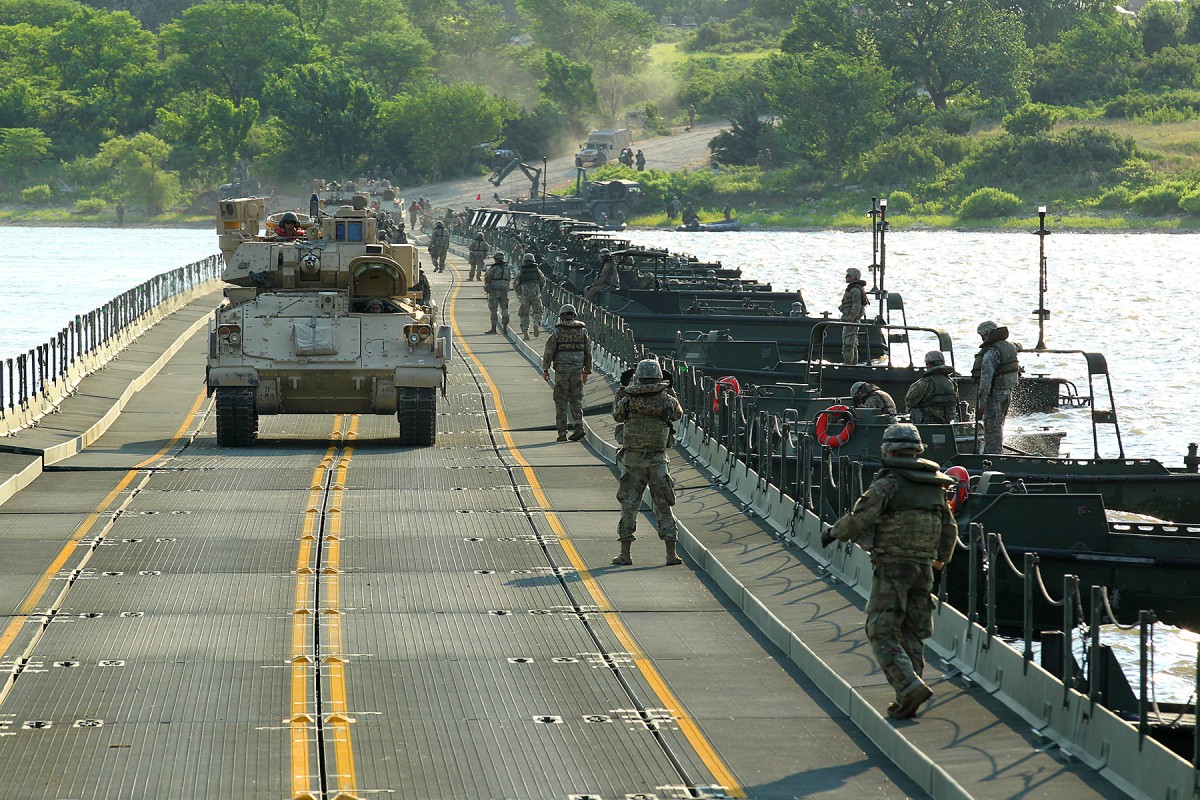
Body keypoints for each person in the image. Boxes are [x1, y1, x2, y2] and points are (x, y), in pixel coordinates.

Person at [820, 423, 957, 720]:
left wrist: (832, 533)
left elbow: (861, 517)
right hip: (924, 568)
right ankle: (907, 697)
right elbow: (949, 529)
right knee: (912, 632)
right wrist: (938, 563)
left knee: (880, 629)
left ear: (890, 450)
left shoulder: (889, 482)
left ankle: (908, 686)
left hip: (894, 566)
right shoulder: (935, 485)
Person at [611, 358, 685, 567]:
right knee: (664, 506)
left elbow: (617, 415)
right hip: (657, 460)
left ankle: (625, 554)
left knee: (629, 505)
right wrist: (670, 390)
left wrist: (622, 388)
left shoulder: (628, 398)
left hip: (633, 459)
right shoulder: (665, 399)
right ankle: (671, 553)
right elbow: (678, 413)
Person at [541, 304, 592, 442]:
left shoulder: (558, 332)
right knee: (576, 398)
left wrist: (546, 369)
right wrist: (587, 371)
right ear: (574, 316)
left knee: (561, 399)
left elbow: (549, 351)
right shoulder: (582, 332)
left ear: (562, 316)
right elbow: (588, 352)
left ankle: (562, 433)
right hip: (577, 369)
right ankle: (578, 426)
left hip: (562, 370)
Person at [973, 320, 1021, 454]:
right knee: (999, 425)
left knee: (992, 429)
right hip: (1007, 393)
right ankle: (997, 452)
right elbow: (1018, 345)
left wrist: (982, 403)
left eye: (982, 336)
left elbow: (986, 380)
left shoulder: (990, 354)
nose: (982, 339)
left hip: (994, 396)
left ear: (987, 335)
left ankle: (993, 458)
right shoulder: (1010, 346)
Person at [905, 351, 959, 424]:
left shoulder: (924, 383)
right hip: (949, 423)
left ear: (929, 364)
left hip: (929, 423)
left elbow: (909, 402)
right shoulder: (952, 383)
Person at [840, 266, 869, 364]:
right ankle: (853, 363)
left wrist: (849, 318)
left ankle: (848, 363)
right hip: (851, 320)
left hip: (851, 321)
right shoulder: (854, 289)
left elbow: (856, 306)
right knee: (852, 342)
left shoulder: (855, 290)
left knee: (848, 343)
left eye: (848, 275)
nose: (846, 277)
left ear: (853, 277)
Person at [515, 252, 546, 340]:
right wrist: (539, 290)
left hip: (524, 295)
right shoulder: (537, 270)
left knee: (524, 313)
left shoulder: (521, 271)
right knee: (538, 311)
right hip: (535, 294)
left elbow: (516, 283)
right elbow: (543, 280)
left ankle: (525, 333)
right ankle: (536, 323)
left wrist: (519, 293)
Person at [483, 252, 512, 334]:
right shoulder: (507, 268)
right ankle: (505, 327)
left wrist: (488, 286)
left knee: (493, 309)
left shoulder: (493, 268)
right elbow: (509, 278)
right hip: (504, 291)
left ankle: (493, 328)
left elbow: (487, 278)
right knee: (505, 308)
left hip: (494, 290)